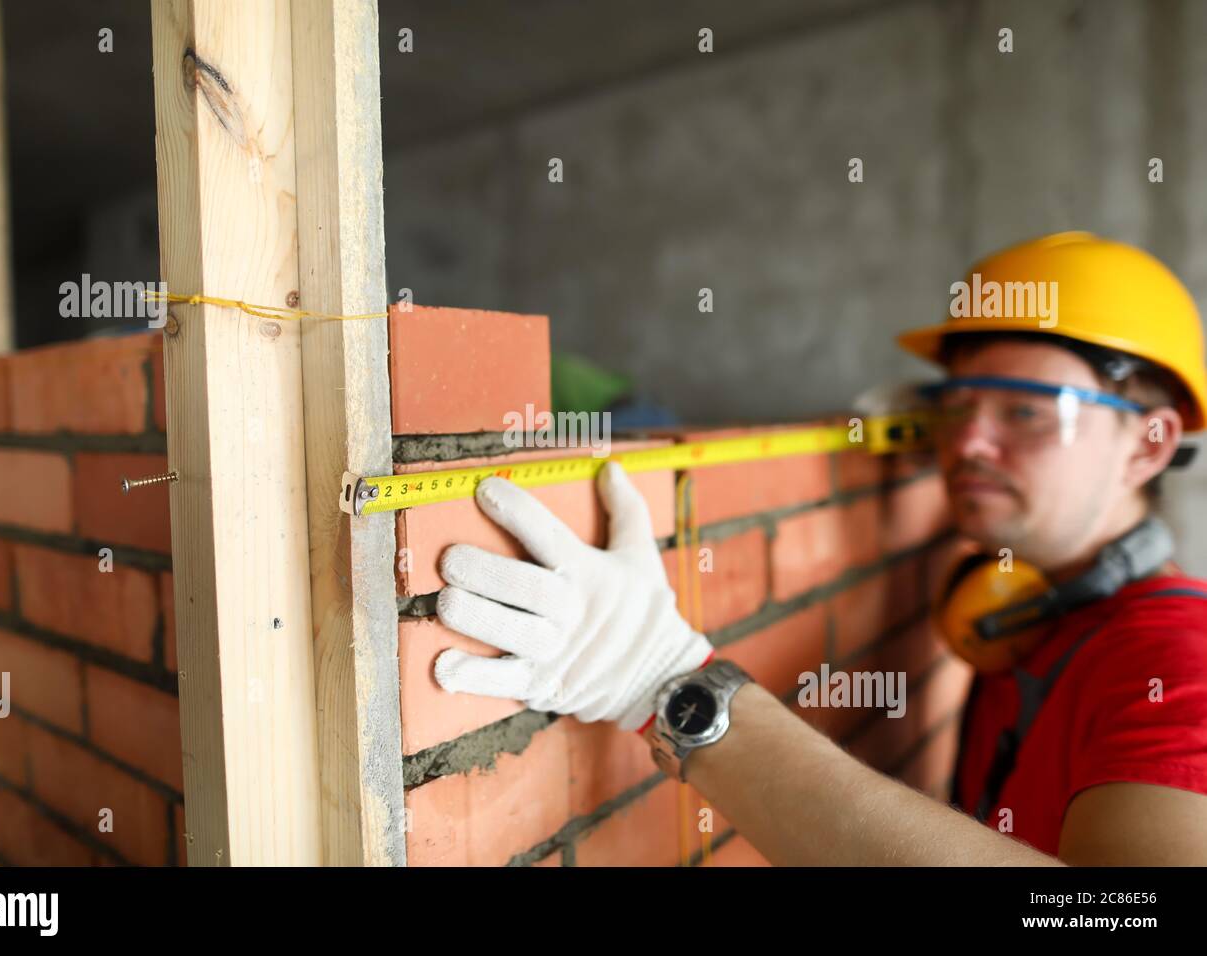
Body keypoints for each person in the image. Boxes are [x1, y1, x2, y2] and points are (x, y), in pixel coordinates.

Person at [431, 232, 1207, 865]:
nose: (968, 442)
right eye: (955, 405)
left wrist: (663, 683)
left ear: (1149, 444)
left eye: (1029, 412)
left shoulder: (1179, 660)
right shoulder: (1030, 606)